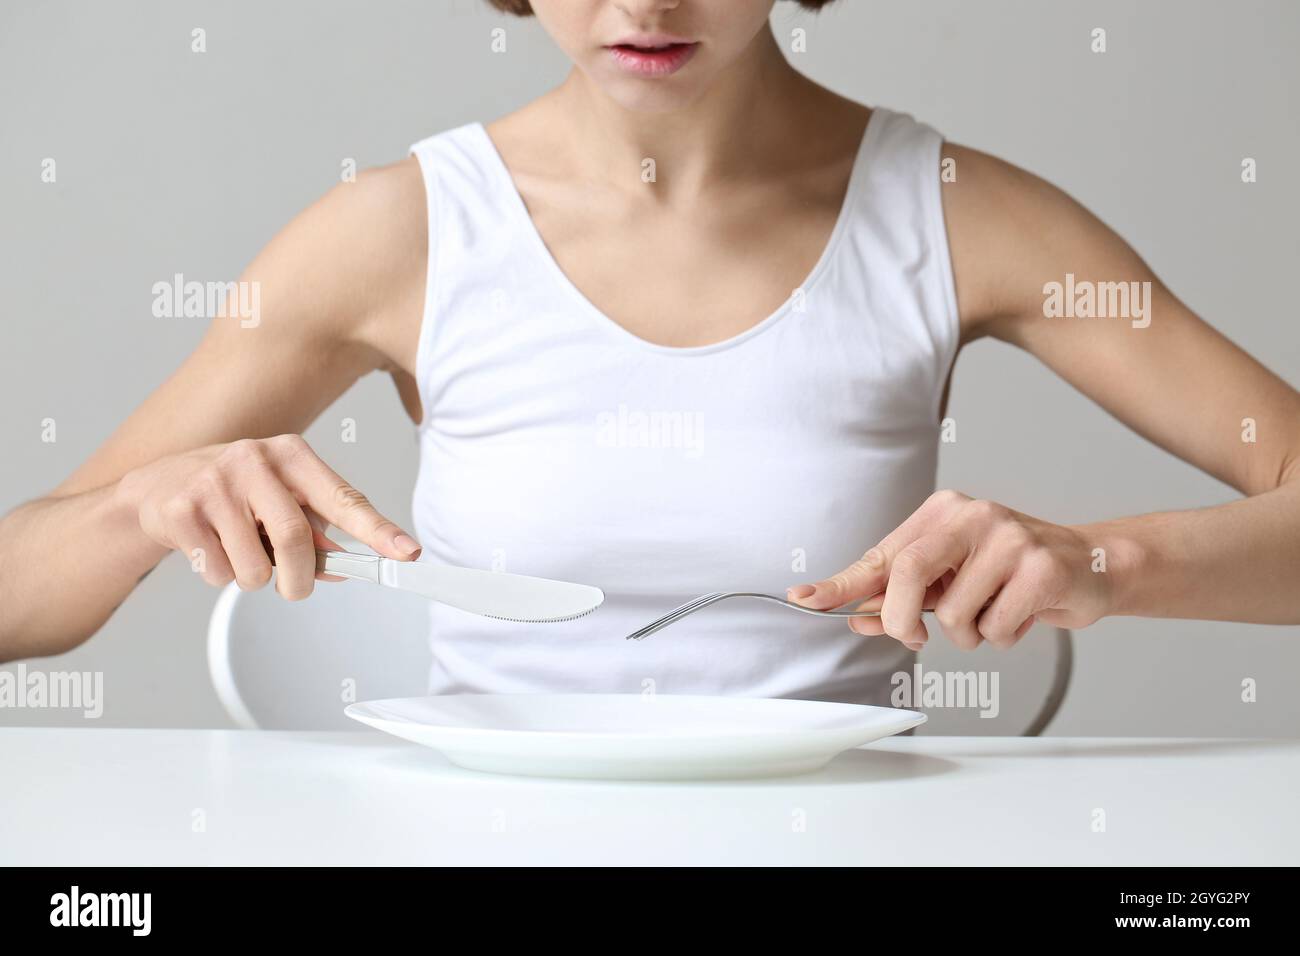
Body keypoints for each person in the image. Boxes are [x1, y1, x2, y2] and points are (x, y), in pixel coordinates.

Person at [2, 0, 1297, 707]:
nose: (644, 2)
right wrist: (135, 508)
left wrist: (1106, 564)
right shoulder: (399, 230)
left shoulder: (954, 211)